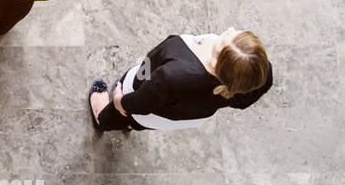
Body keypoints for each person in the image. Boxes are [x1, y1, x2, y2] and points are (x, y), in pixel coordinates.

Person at [89, 29, 273, 132]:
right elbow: (241, 103)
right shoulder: (257, 74)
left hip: (142, 102)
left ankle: (103, 119)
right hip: (180, 116)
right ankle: (131, 125)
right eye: (236, 33)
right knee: (138, 122)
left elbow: (141, 101)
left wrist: (120, 101)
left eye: (226, 36)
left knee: (122, 113)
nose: (230, 28)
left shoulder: (173, 70)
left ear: (215, 62)